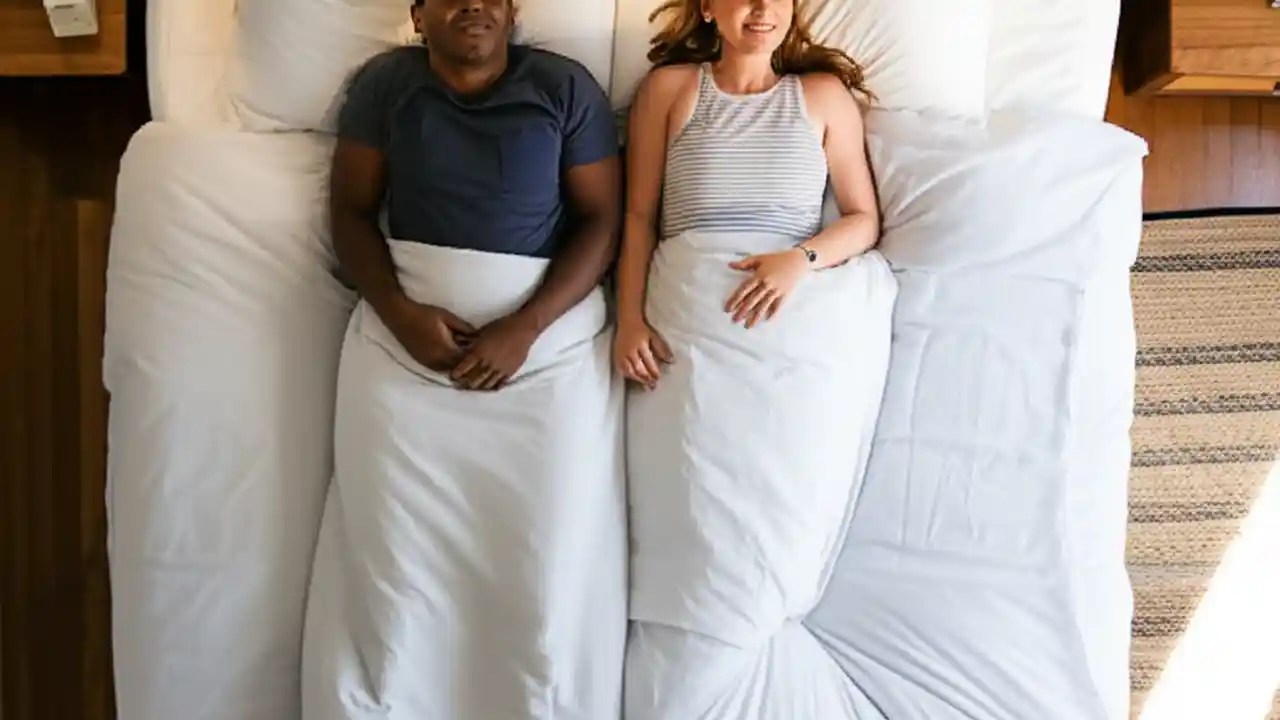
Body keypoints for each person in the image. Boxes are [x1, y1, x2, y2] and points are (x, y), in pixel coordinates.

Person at [301, 0, 628, 718]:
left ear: (511, 13)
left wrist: (526, 327)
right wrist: (398, 312)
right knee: (394, 568)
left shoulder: (563, 88)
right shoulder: (387, 85)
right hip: (403, 355)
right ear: (419, 18)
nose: (472, 4)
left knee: (541, 561)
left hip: (547, 358)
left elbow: (604, 220)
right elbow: (351, 212)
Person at [614, 0, 899, 716]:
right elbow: (639, 216)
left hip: (783, 326)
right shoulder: (673, 89)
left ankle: (754, 626)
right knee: (689, 494)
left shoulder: (821, 97)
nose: (762, 9)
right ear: (709, 7)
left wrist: (799, 260)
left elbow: (863, 220)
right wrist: (627, 319)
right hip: (689, 318)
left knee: (775, 483)